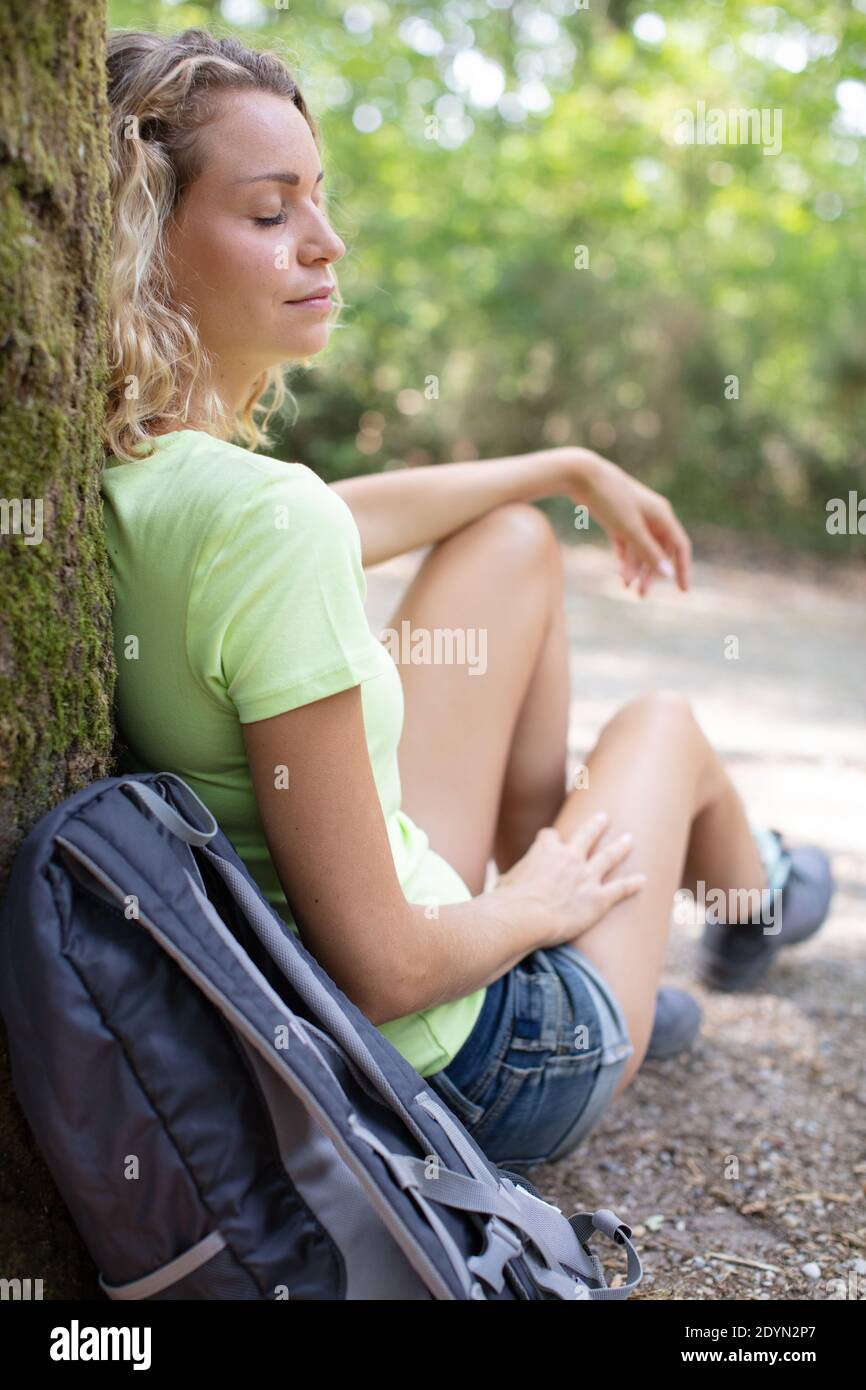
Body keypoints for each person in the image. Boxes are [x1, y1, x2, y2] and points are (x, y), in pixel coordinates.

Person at [100, 28, 834, 1172]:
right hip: (467, 1066)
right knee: (661, 729)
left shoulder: (135, 480)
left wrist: (563, 466)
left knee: (506, 540)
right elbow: (384, 970)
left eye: (319, 201)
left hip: (337, 972)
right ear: (146, 241)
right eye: (268, 213)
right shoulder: (265, 522)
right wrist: (537, 899)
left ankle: (621, 946)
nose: (326, 242)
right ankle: (753, 899)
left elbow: (341, 517)